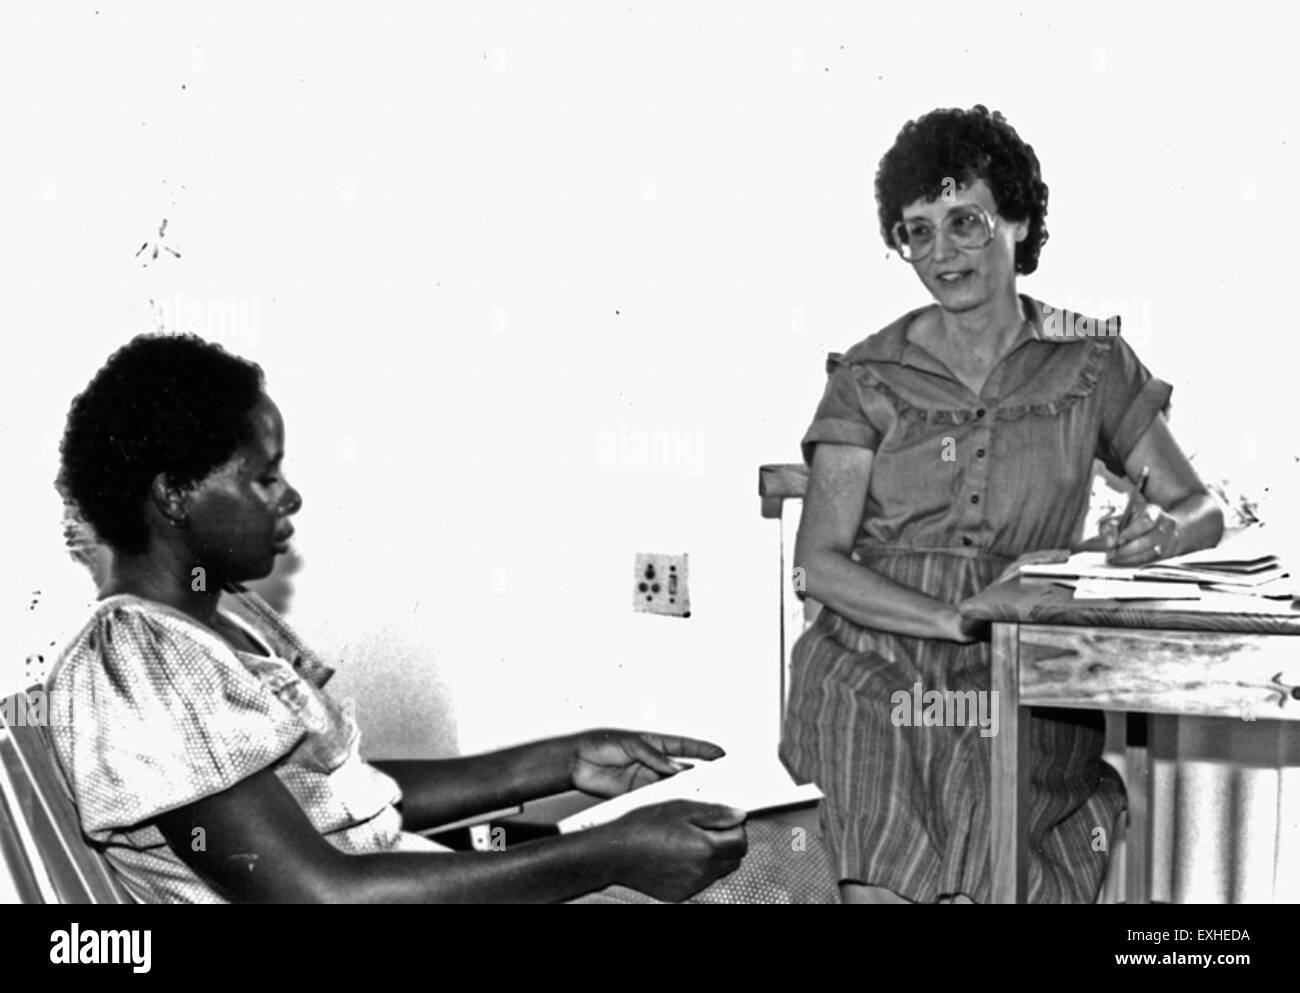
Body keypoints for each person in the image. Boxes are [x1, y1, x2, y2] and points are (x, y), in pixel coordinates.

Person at [48, 333, 836, 904]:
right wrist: (608, 852)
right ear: (176, 495)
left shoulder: (224, 622)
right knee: (762, 883)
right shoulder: (135, 663)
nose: (289, 497)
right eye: (262, 475)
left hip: (405, 878)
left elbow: (349, 797)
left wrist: (564, 760)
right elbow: (318, 896)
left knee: (773, 855)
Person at [778, 105, 1224, 904]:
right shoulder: (868, 373)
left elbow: (1199, 508)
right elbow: (819, 564)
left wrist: (1156, 537)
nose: (942, 251)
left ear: (1017, 220)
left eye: (966, 221)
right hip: (871, 653)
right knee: (879, 852)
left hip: (1021, 659)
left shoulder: (1090, 360)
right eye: (917, 231)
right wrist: (953, 619)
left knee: (987, 815)